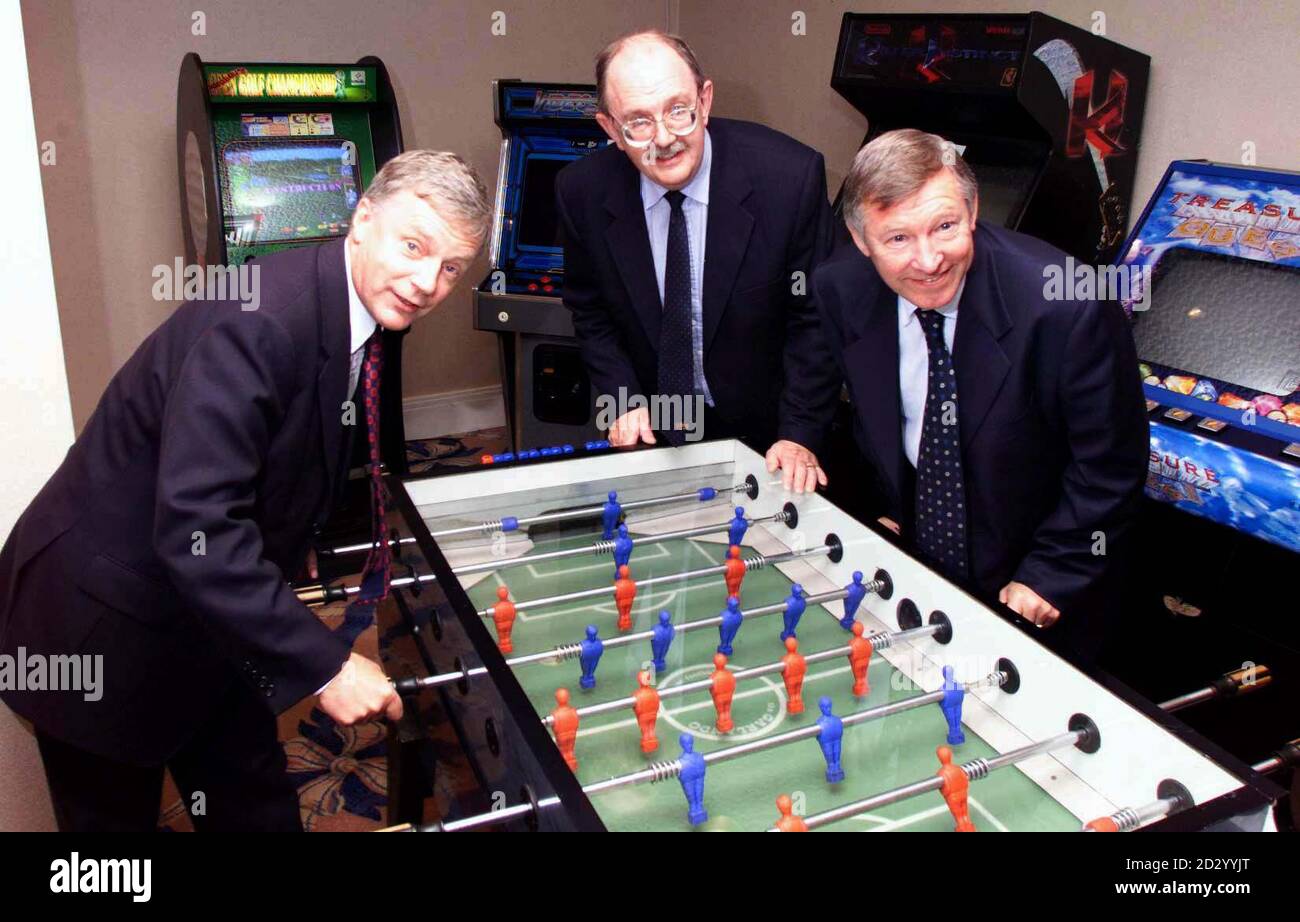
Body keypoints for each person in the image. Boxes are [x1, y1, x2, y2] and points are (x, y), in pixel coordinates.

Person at [0, 150, 491, 830]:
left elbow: (284, 447)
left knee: (255, 805)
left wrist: (297, 534)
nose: (425, 282)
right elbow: (196, 528)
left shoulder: (356, 302)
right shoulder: (257, 323)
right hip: (101, 626)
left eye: (450, 269)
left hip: (216, 622)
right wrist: (328, 666)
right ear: (363, 218)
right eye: (414, 246)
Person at [813, 129, 1147, 658]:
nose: (928, 260)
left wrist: (1047, 577)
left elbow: (1109, 468)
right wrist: (885, 507)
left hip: (1033, 582)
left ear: (971, 211)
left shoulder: (1068, 305)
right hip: (917, 568)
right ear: (861, 241)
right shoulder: (839, 289)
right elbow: (871, 418)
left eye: (944, 226)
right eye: (897, 239)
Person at [556, 29, 837, 492]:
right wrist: (623, 402)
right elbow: (591, 311)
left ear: (704, 101)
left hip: (766, 431)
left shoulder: (790, 178)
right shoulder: (581, 191)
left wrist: (799, 434)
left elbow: (814, 320)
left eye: (678, 111)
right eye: (639, 122)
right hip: (650, 416)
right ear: (609, 128)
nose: (664, 138)